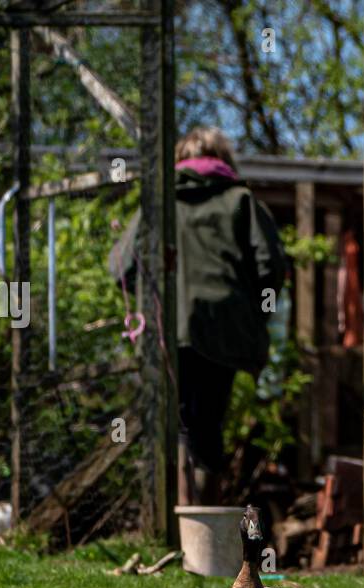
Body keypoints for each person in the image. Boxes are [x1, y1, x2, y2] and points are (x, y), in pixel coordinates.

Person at [110, 127, 288, 504]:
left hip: (164, 327)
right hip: (222, 330)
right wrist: (253, 310)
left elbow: (120, 267)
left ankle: (176, 528)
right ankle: (204, 533)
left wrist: (144, 298)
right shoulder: (242, 201)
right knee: (207, 426)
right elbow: (270, 267)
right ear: (224, 158)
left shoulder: (158, 204)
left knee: (175, 425)